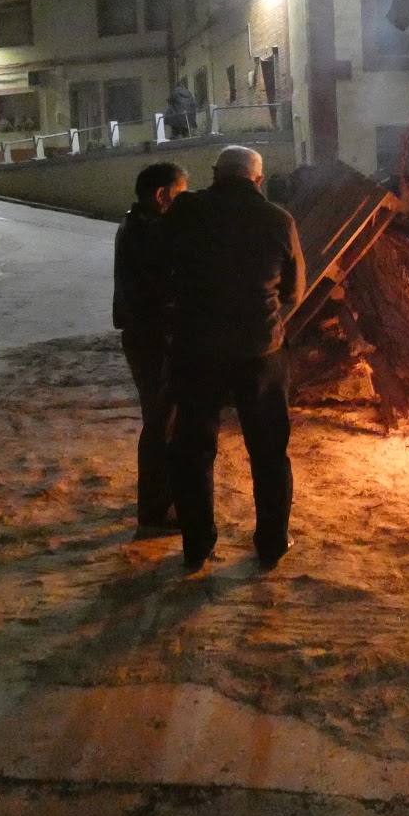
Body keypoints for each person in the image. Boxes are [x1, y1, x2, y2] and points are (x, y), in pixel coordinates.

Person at [165, 145, 304, 573]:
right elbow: (294, 292)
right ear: (257, 180)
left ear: (214, 173)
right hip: (259, 352)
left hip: (197, 350)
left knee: (194, 449)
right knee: (268, 452)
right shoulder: (278, 220)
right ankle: (271, 545)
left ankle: (197, 545)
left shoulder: (186, 211)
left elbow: (165, 267)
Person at [114, 162, 189, 540]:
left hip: (145, 336)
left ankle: (158, 503)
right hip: (154, 339)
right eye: (181, 193)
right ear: (162, 195)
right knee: (163, 423)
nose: (184, 201)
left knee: (161, 420)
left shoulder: (135, 225)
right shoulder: (151, 235)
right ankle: (158, 511)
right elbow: (167, 290)